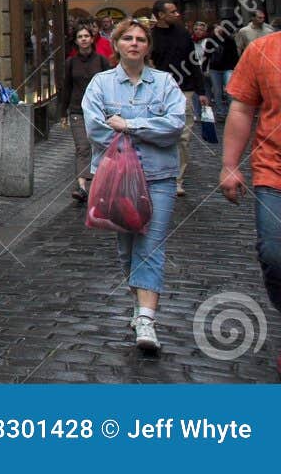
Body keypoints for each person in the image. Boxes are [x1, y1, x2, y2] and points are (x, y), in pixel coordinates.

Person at [83, 18, 187, 356]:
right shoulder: (100, 84)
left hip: (158, 177)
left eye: (141, 39)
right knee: (126, 249)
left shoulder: (165, 83)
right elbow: (95, 128)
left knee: (150, 245)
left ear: (148, 47)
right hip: (115, 179)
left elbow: (173, 126)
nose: (134, 43)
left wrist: (130, 126)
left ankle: (146, 319)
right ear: (116, 45)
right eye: (127, 38)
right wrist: (142, 132)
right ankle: (138, 304)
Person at [221, 28, 281, 378]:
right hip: (274, 173)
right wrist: (230, 165)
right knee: (275, 256)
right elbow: (242, 109)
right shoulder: (262, 50)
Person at [149, 0, 199, 197]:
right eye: (173, 11)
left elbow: (193, 60)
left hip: (184, 88)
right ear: (160, 15)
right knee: (159, 133)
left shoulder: (183, 34)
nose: (177, 14)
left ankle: (177, 179)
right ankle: (160, 172)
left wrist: (201, 91)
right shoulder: (150, 37)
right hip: (158, 91)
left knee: (183, 136)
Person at [62, 25, 111, 204]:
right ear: (75, 41)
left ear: (92, 39)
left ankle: (97, 184)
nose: (83, 39)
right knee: (82, 148)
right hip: (77, 110)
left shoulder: (102, 61)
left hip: (100, 110)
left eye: (86, 36)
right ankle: (82, 186)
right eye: (80, 37)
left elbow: (109, 86)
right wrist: (63, 111)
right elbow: (66, 87)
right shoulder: (70, 63)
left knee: (99, 147)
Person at [205, 22, 239, 122]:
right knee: (217, 91)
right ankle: (220, 112)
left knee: (229, 91)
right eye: (215, 29)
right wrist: (204, 68)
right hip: (214, 69)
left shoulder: (229, 40)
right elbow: (206, 55)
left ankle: (232, 112)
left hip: (228, 68)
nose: (217, 30)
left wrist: (235, 68)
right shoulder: (210, 41)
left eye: (219, 28)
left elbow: (235, 55)